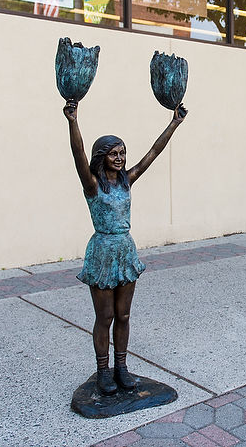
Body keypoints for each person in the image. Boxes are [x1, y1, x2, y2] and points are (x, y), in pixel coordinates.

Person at [64, 99, 187, 394]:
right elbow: (78, 153)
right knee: (104, 316)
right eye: (113, 154)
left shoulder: (126, 181)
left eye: (122, 153)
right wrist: (72, 121)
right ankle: (103, 370)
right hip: (104, 252)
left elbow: (153, 153)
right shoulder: (93, 185)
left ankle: (122, 366)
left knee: (124, 315)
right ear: (101, 157)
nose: (119, 158)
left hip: (125, 250)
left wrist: (174, 123)